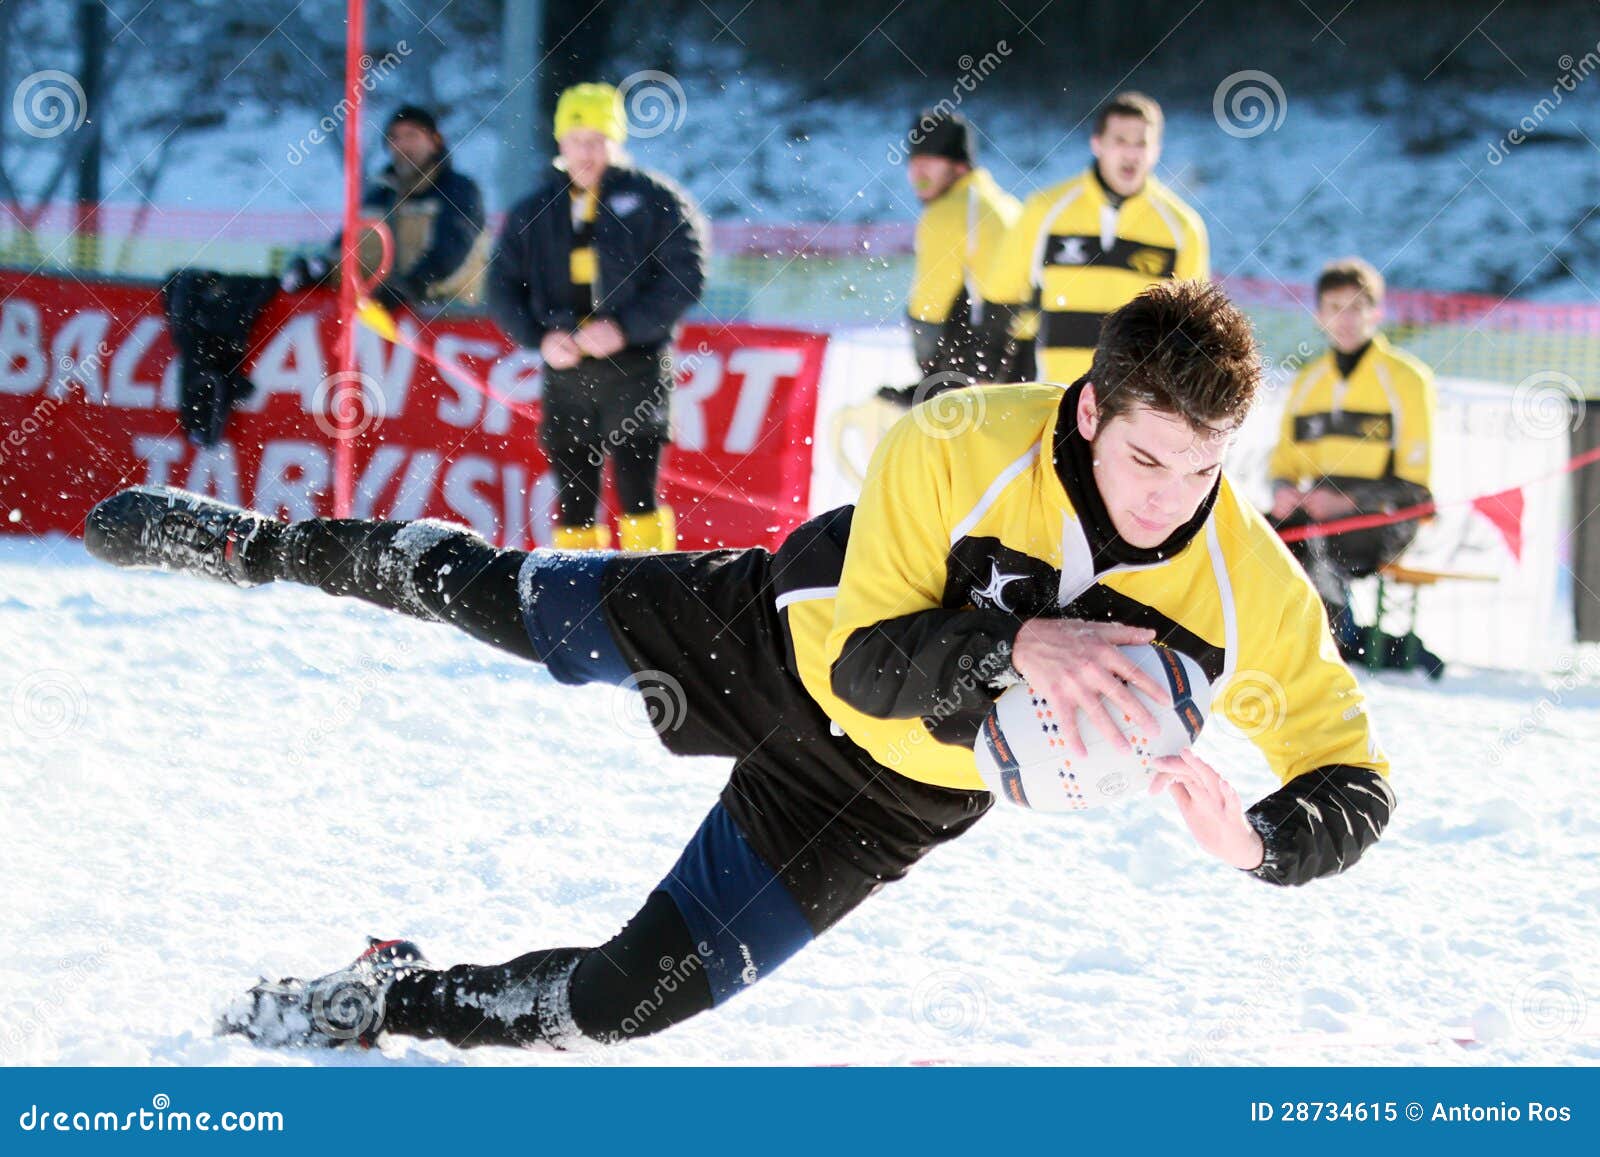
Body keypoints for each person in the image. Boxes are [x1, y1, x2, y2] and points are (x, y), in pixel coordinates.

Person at [84, 280, 1394, 1053]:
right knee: (505, 596)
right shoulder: (956, 442)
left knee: (613, 1009)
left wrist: (1262, 841)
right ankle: (257, 542)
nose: (1174, 497)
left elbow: (1352, 768)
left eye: (1208, 468)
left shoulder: (1241, 576)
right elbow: (867, 669)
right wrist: (1019, 647)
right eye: (1149, 459)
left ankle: (385, 991)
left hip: (880, 805)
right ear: (1092, 410)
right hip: (767, 639)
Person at [487, 82, 706, 552]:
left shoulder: (654, 200)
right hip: (566, 374)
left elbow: (686, 276)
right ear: (560, 144)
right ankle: (576, 593)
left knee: (637, 492)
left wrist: (625, 327)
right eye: (576, 140)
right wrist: (540, 338)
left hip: (638, 368)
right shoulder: (534, 210)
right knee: (574, 497)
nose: (586, 153)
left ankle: (650, 590)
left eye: (597, 140)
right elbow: (501, 286)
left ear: (616, 142)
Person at [1267, 257, 1439, 672]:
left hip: (1385, 514)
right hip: (1319, 509)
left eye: (1357, 307)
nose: (1346, 319)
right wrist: (1283, 491)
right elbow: (1284, 464)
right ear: (1319, 314)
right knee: (1259, 537)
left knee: (1317, 540)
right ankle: (1295, 642)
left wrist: (1346, 502)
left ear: (1376, 313)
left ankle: (1338, 642)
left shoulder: (1407, 379)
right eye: (1334, 307)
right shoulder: (1308, 380)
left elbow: (1415, 487)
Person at [983, 92, 1208, 385]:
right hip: (1053, 395)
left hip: (1134, 405)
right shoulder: (1044, 210)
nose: (1131, 154)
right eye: (1120, 141)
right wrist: (993, 375)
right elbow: (1000, 300)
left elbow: (1191, 331)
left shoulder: (1183, 228)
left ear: (1156, 151)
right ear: (1097, 144)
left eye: (1142, 143)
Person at [876, 110, 1025, 408]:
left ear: (958, 166)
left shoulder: (948, 212)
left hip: (981, 363)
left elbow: (929, 307)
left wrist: (930, 374)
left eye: (928, 163)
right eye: (914, 164)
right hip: (1024, 355)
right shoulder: (1007, 205)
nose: (918, 174)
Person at [281, 105, 488, 310]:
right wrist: (321, 270)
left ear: (435, 142)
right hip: (384, 317)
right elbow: (346, 251)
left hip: (448, 319)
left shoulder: (459, 190)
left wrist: (412, 286)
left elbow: (453, 248)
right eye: (394, 138)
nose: (402, 146)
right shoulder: (379, 196)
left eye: (412, 135)